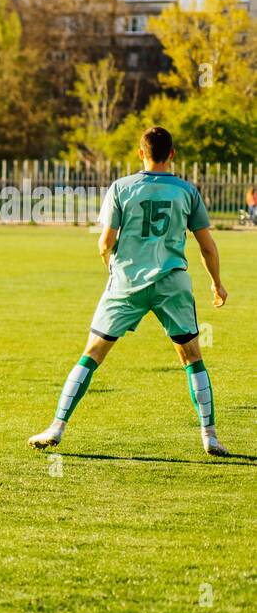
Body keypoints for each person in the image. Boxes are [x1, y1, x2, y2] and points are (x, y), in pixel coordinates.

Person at [29, 126, 230, 457]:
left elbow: (105, 242)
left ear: (141, 153)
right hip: (172, 283)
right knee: (192, 355)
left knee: (93, 352)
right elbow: (207, 246)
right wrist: (216, 283)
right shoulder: (187, 191)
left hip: (126, 283)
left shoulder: (121, 188)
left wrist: (111, 267)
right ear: (172, 154)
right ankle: (209, 435)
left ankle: (56, 426)